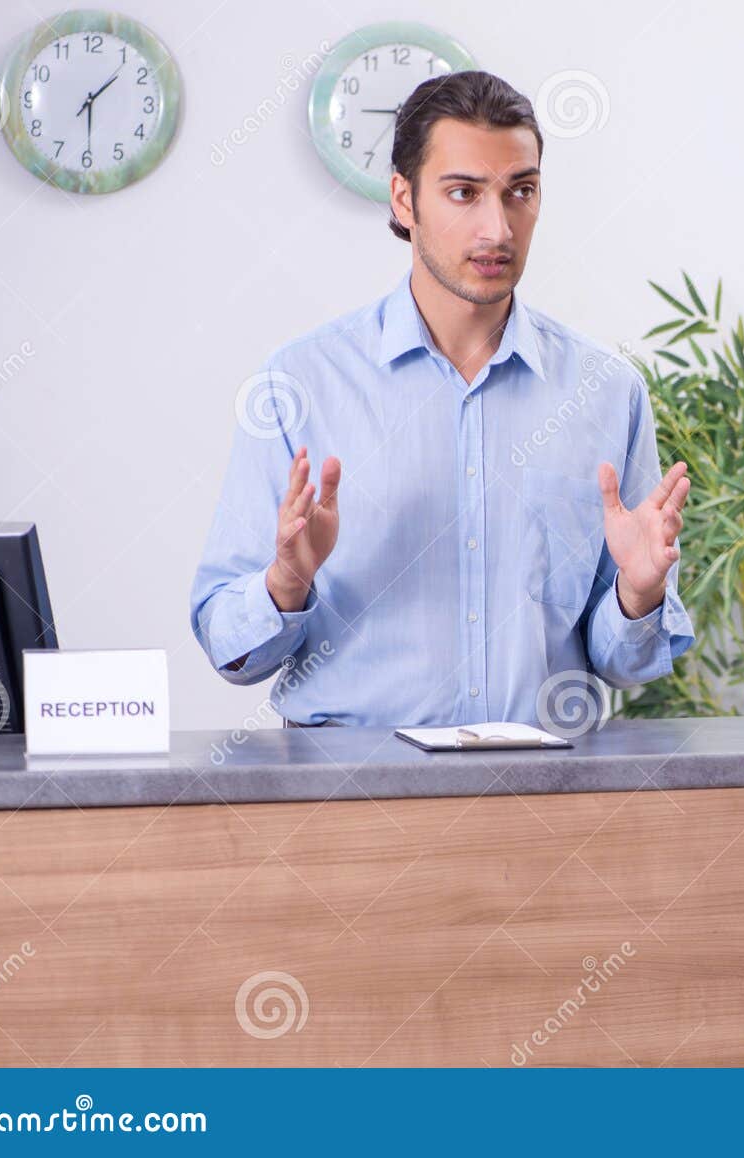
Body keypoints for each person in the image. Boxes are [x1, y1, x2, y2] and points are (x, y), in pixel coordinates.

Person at [189, 71, 694, 727]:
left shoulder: (605, 392)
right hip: (347, 802)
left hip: (541, 796)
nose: (499, 228)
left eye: (522, 192)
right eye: (464, 192)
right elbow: (230, 647)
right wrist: (286, 580)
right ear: (404, 200)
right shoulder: (300, 384)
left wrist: (639, 591)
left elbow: (624, 665)